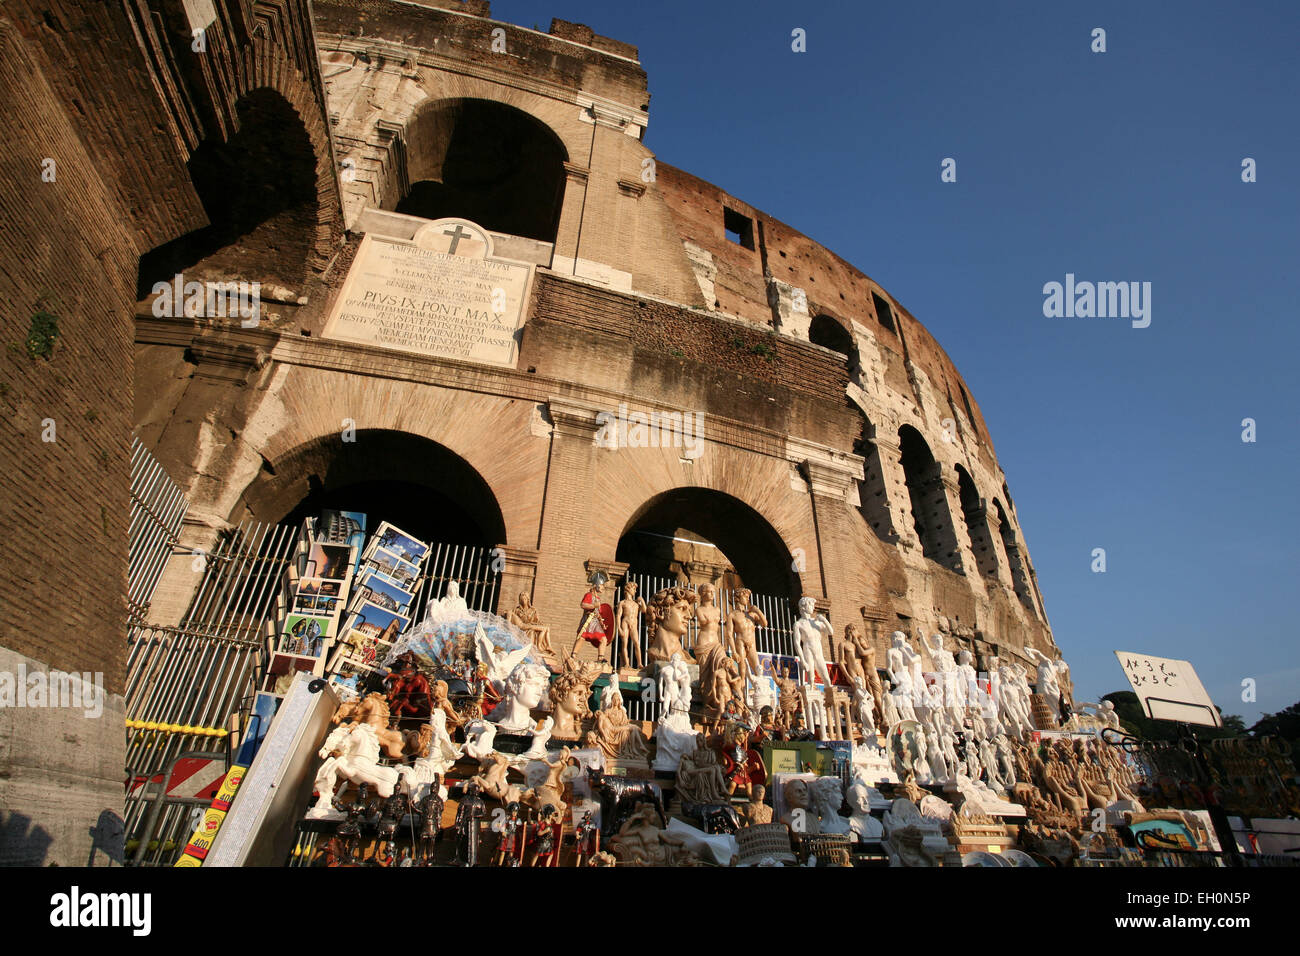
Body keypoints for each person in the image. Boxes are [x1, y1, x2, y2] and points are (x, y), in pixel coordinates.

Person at [454, 782, 486, 866]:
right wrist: (457, 823)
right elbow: (460, 812)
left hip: (474, 825)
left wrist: (475, 815)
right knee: (461, 840)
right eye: (474, 790)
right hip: (464, 823)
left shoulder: (480, 802)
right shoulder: (465, 799)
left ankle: (473, 859)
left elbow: (483, 813)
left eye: (477, 791)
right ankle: (459, 858)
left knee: (475, 841)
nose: (475, 792)